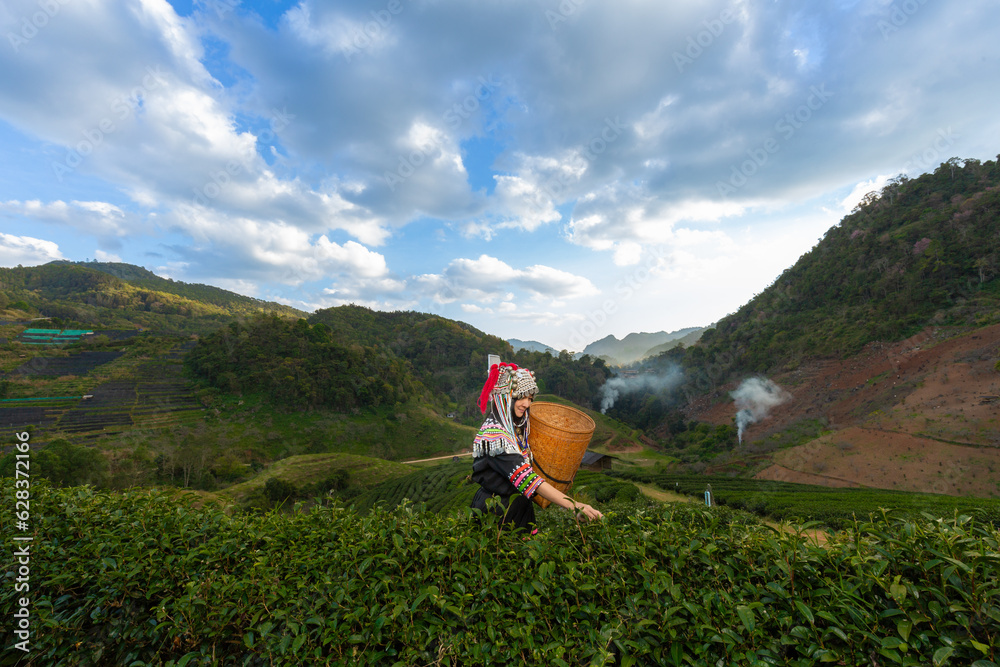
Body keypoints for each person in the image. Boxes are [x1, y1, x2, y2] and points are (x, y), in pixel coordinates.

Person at [469, 362, 603, 531]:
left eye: (530, 398)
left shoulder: (515, 427)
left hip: (518, 506)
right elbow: (527, 479)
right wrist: (574, 505)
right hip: (498, 511)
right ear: (505, 396)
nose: (526, 404)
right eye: (521, 396)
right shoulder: (495, 436)